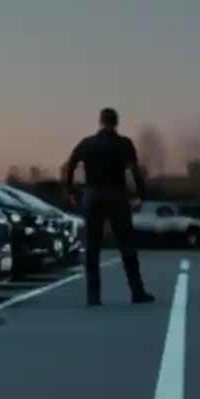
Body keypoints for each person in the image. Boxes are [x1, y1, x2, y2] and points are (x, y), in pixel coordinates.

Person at [62, 108, 155, 306]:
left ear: (100, 122)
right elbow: (135, 171)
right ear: (116, 122)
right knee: (126, 242)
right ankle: (137, 291)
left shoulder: (87, 144)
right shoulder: (124, 144)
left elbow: (70, 165)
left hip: (93, 194)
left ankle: (93, 295)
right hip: (116, 194)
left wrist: (70, 190)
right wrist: (140, 195)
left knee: (92, 246)